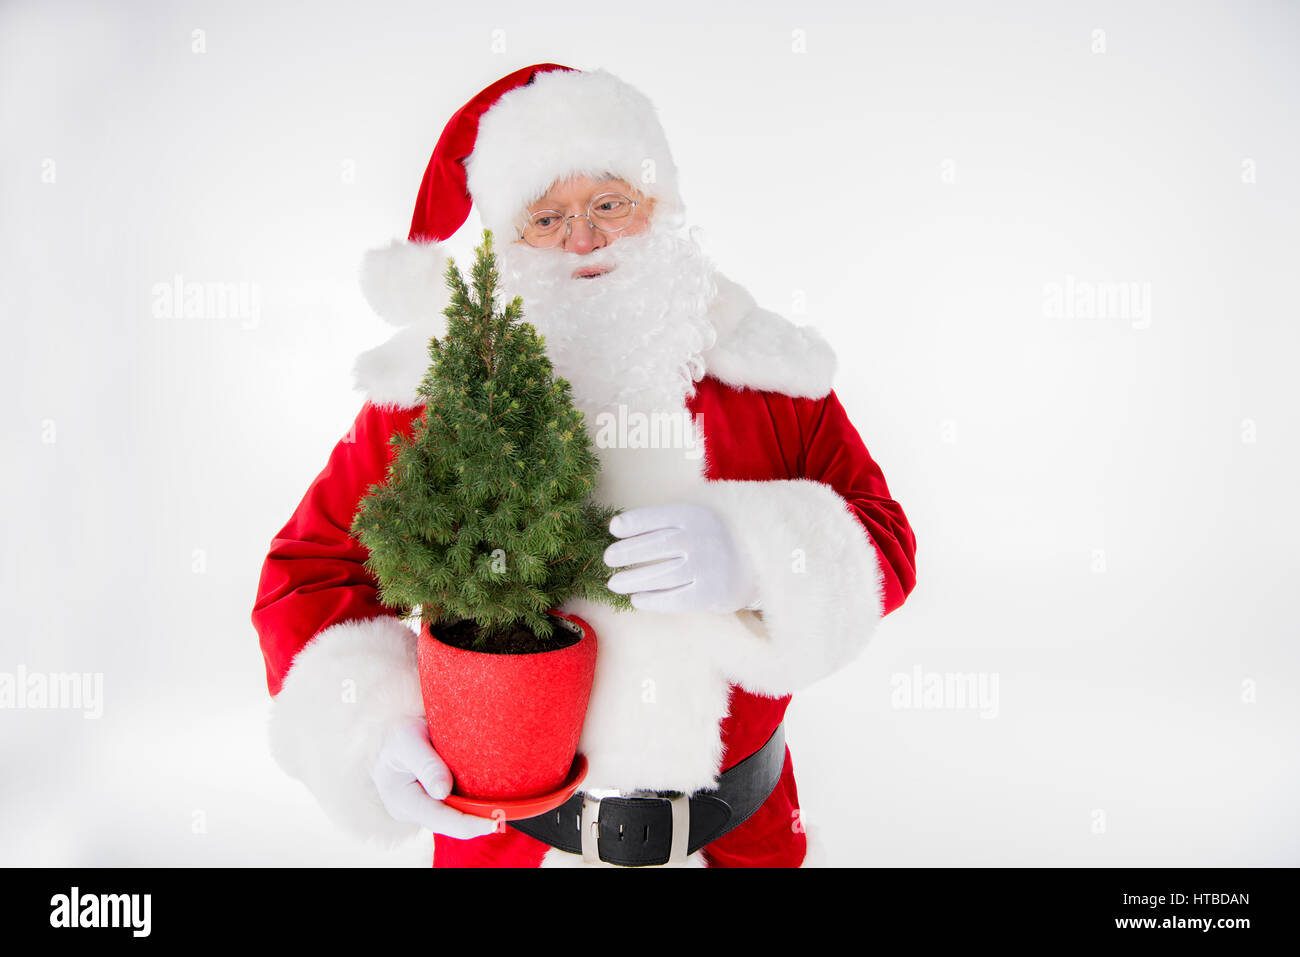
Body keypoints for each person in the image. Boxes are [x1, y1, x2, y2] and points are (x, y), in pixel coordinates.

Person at [252, 63, 917, 867]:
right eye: (547, 216)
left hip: (739, 836)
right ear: (508, 238)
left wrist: (756, 559)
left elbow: (886, 538)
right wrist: (374, 727)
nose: (583, 238)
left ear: (659, 207)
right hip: (509, 837)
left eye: (610, 203)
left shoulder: (765, 368)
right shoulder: (443, 389)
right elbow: (309, 570)